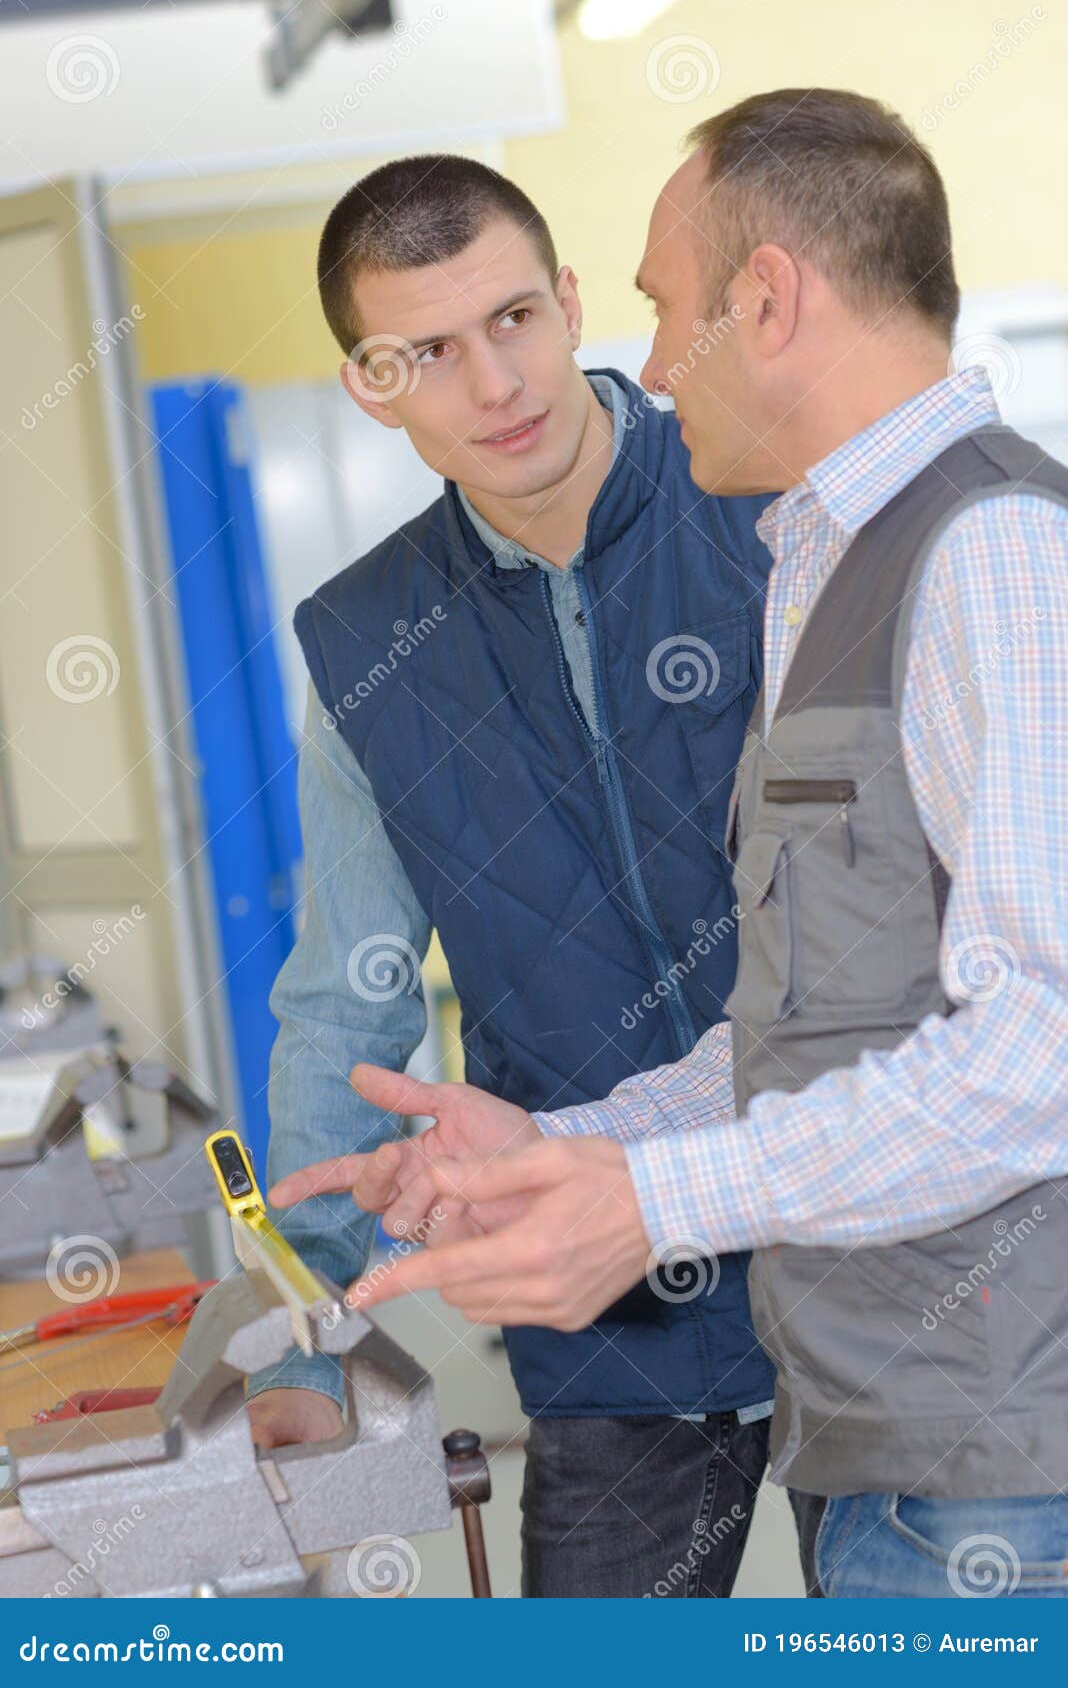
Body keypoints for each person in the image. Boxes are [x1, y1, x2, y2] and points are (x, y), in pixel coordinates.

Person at [299, 91, 1068, 1599]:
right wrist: (563, 1153)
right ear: (371, 383)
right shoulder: (813, 556)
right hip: (736, 1355)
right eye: (430, 352)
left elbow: (1034, 1038)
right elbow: (803, 1026)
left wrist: (654, 1193)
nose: (541, 377)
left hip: (968, 1389)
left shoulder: (918, 541)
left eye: (546, 314)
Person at [247, 152, 781, 1598]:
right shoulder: (368, 644)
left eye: (512, 321)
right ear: (371, 383)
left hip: (869, 1240)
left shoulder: (774, 507)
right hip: (593, 1288)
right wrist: (314, 1322)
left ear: (568, 302)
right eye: (426, 351)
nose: (495, 383)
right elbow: (346, 1007)